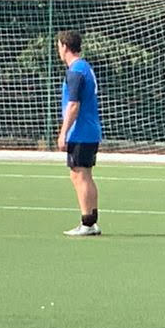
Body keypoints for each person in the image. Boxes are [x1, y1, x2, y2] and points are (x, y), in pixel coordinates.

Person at [57, 29, 103, 237]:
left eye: (58, 46)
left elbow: (74, 105)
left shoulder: (75, 71)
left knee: (79, 175)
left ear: (65, 47)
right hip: (90, 130)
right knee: (85, 175)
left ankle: (86, 223)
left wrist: (63, 133)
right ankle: (91, 221)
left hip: (81, 132)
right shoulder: (85, 67)